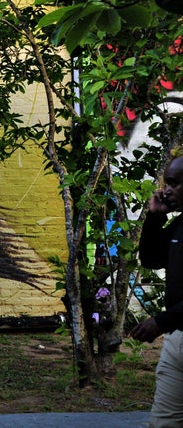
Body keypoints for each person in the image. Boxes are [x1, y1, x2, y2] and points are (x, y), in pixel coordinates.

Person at [133, 155, 183, 426]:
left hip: (172, 326)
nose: (166, 190)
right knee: (164, 423)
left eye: (173, 183)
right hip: (177, 341)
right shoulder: (179, 224)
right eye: (166, 183)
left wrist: (160, 322)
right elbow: (151, 259)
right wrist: (154, 218)